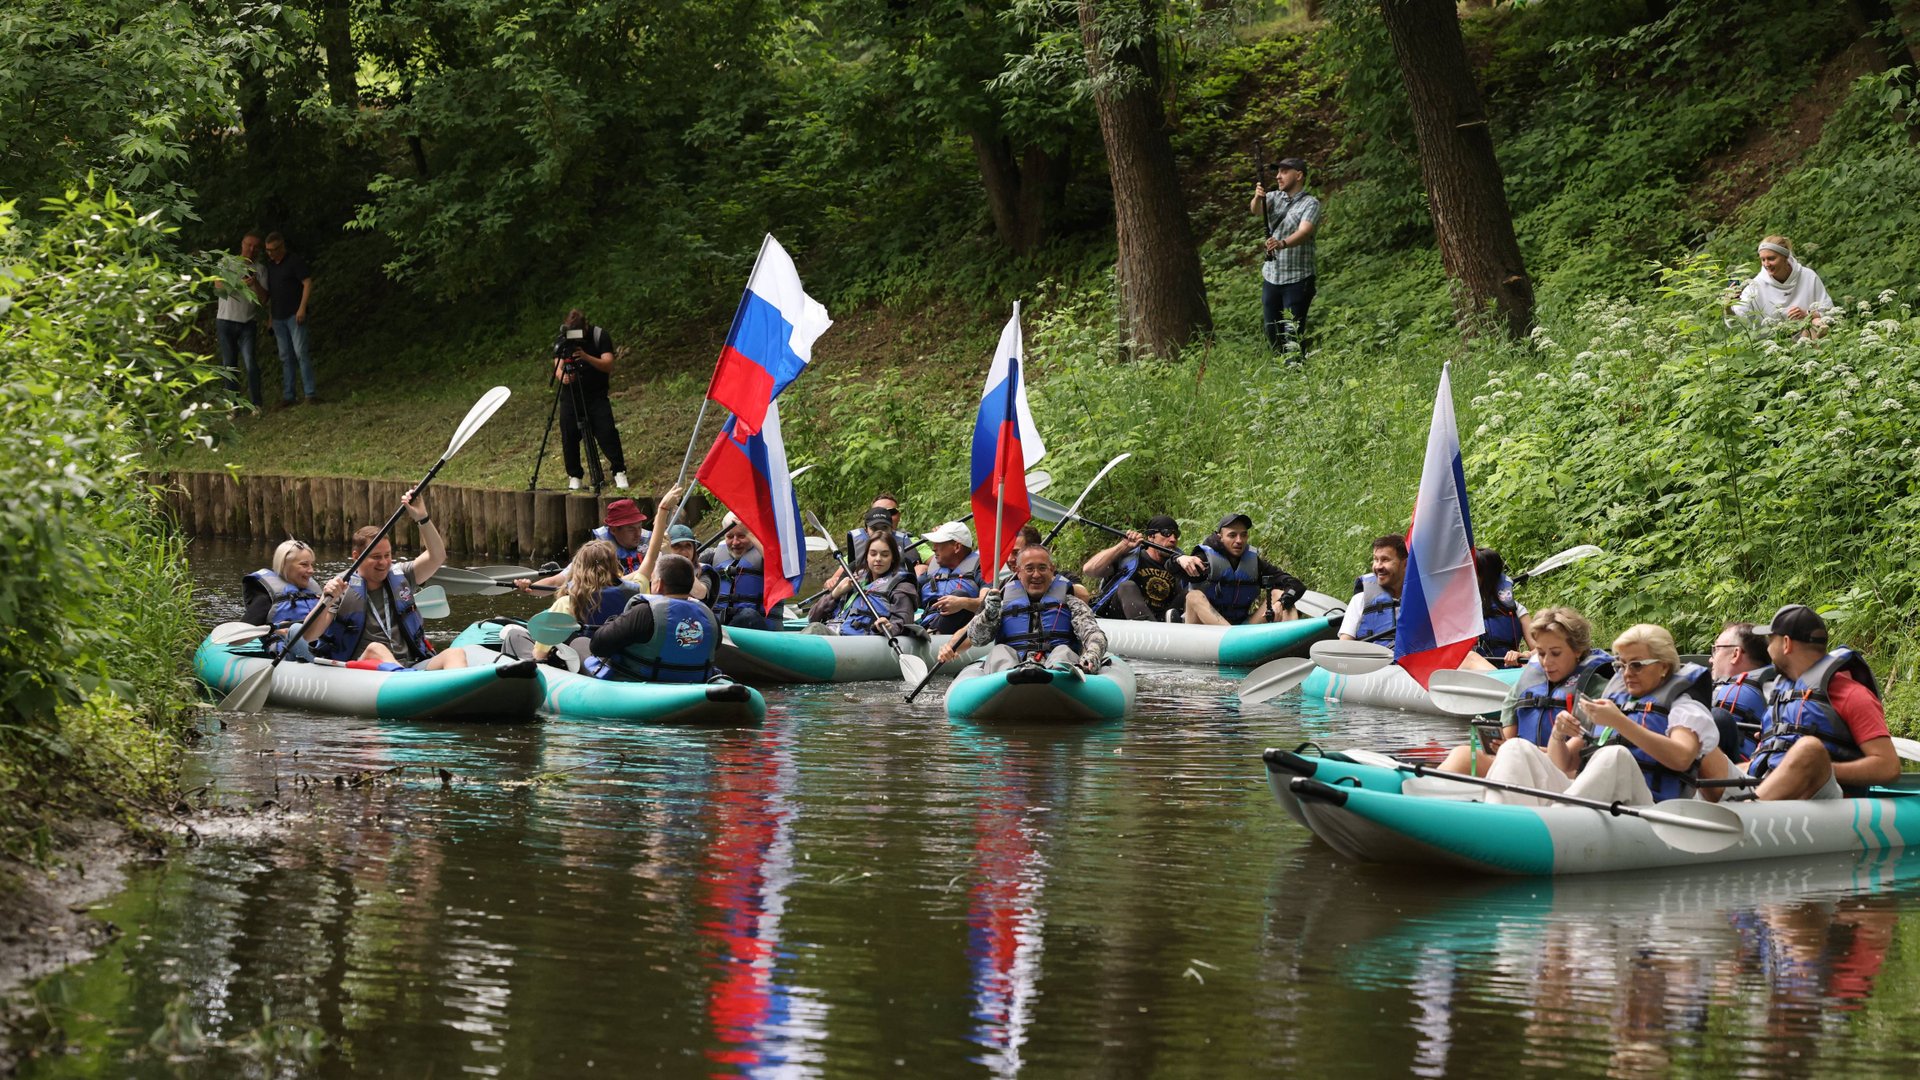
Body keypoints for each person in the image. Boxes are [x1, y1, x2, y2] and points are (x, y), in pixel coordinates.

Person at [1480, 623, 1716, 807]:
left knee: (1615, 755)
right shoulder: (1612, 702)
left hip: (1648, 807)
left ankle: (1558, 820)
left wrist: (1619, 722)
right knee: (1516, 748)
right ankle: (1497, 819)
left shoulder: (1685, 706)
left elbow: (1682, 758)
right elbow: (1565, 763)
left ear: (1663, 666)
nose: (1627, 673)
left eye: (1637, 665)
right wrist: (1558, 735)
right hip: (1590, 804)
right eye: (1621, 665)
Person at [1744, 605, 1899, 801]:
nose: (1767, 648)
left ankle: (1747, 809)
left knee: (1809, 750)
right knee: (1713, 756)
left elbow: (1888, 767)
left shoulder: (1852, 694)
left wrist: (1815, 769)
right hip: (1766, 786)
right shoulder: (1782, 694)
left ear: (1786, 643)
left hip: (1822, 797)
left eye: (1770, 640)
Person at [1436, 607, 1612, 776]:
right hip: (1520, 763)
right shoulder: (1525, 684)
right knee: (1462, 755)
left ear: (1577, 651)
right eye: (1541, 653)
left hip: (1565, 773)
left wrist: (1519, 749)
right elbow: (1507, 741)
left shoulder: (1596, 690)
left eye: (1556, 653)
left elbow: (1571, 761)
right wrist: (1502, 747)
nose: (1547, 662)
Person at [310, 490, 469, 670]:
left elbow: (437, 556)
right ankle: (406, 681)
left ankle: (443, 686)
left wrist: (422, 518)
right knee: (376, 649)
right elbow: (310, 635)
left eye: (387, 555)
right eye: (376, 557)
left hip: (410, 666)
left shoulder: (402, 575)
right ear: (356, 556)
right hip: (363, 667)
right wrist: (325, 600)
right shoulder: (340, 587)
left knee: (455, 653)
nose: (384, 562)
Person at [938, 544, 1107, 674]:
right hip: (1012, 670)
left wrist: (1092, 654)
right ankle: (1010, 681)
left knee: (1063, 651)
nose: (1036, 575)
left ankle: (1059, 678)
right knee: (1000, 651)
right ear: (1018, 572)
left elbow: (1094, 634)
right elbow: (977, 638)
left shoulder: (1071, 603)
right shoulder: (1000, 605)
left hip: (1055, 669)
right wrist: (989, 615)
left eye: (1042, 568)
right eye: (1029, 569)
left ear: (1052, 570)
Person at [500, 539, 635, 667]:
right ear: (615, 566)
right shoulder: (634, 593)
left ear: (578, 569)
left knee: (514, 635)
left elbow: (539, 655)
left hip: (580, 664)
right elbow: (641, 574)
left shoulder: (567, 603)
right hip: (617, 661)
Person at [591, 554, 718, 683]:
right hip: (694, 684)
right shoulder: (709, 617)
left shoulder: (645, 612)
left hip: (642, 683)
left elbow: (598, 645)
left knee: (582, 643)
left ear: (659, 584)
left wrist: (612, 621)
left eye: (653, 579)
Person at [1248, 155, 1321, 359]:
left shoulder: (1310, 203)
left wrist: (1282, 243)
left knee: (1293, 333)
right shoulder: (1273, 197)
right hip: (1272, 277)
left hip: (1298, 279)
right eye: (1278, 172)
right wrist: (1257, 197)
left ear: (1299, 175)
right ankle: (1283, 371)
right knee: (1272, 331)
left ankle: (1297, 371)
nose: (1278, 176)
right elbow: (1256, 211)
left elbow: (1304, 232)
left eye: (1284, 172)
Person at [553, 308, 629, 491]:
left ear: (586, 326)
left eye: (579, 333)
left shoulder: (599, 335)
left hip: (596, 395)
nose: (576, 337)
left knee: (606, 431)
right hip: (571, 397)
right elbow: (557, 367)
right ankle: (574, 476)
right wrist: (563, 377)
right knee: (569, 435)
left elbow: (608, 364)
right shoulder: (563, 338)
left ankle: (619, 471)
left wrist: (586, 357)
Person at [1183, 512, 1305, 625]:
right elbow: (1175, 572)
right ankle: (1231, 636)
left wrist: (1281, 603)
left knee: (1279, 595)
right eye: (1232, 535)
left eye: (1243, 535)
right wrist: (1178, 558)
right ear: (1220, 537)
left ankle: (1294, 640)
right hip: (1206, 629)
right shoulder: (1203, 558)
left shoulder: (1254, 564)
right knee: (1193, 596)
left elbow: (1295, 584)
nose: (1239, 540)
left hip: (1242, 628)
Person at [1083, 515, 1201, 622]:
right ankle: (1150, 629)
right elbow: (1089, 569)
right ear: (1150, 537)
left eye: (1176, 535)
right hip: (1122, 616)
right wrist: (1123, 546)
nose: (1173, 539)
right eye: (1166, 533)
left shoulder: (1179, 563)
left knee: (1193, 592)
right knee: (1127, 586)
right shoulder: (1130, 557)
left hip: (1160, 619)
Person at [807, 531, 919, 637]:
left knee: (815, 628)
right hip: (835, 635)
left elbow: (903, 623)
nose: (878, 559)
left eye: (885, 555)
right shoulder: (853, 580)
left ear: (893, 558)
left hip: (861, 641)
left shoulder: (902, 586)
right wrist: (834, 594)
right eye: (873, 554)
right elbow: (812, 618)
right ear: (867, 557)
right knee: (815, 627)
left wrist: (889, 627)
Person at [1729, 235, 1832, 337]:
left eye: (1771, 258)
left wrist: (1807, 314)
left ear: (1785, 257)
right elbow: (1737, 323)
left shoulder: (1808, 276)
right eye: (1763, 260)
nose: (1766, 264)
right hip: (1774, 341)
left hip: (1808, 336)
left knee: (1817, 322)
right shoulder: (1754, 286)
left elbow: (1829, 311)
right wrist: (1728, 307)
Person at [240, 538, 325, 656]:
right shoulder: (265, 599)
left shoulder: (316, 593)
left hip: (323, 649)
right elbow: (239, 638)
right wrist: (274, 630)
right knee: (295, 631)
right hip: (288, 656)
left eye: (311, 564)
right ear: (285, 565)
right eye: (304, 565)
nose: (311, 570)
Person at [261, 232, 318, 406]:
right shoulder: (271, 267)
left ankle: (310, 393)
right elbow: (273, 294)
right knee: (285, 356)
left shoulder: (294, 261)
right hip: (278, 317)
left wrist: (302, 308)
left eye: (273, 250)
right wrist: (270, 317)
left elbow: (307, 283)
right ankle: (289, 395)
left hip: (295, 315)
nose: (270, 253)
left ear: (281, 247)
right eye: (267, 250)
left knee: (301, 353)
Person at [213, 232, 267, 407]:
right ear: (242, 244)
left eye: (255, 247)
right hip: (225, 320)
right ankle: (233, 406)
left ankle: (256, 404)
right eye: (249, 245)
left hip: (247, 322)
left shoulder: (260, 269)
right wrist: (240, 284)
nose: (251, 249)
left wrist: (255, 283)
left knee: (251, 363)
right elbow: (218, 287)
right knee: (229, 366)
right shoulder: (226, 262)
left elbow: (264, 300)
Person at [1709, 621, 1772, 762]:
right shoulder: (1776, 685)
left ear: (1735, 654)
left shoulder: (1734, 692)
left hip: (1733, 769)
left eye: (1716, 649)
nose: (1711, 659)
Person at [917, 520, 983, 635]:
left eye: (939, 543)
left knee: (959, 595)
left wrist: (963, 602)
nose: (933, 548)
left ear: (957, 547)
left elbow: (988, 603)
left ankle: (932, 634)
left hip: (961, 631)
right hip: (927, 622)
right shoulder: (931, 572)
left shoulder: (980, 571)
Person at [1339, 535, 1407, 645]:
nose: (1378, 566)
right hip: (1371, 656)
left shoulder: (1423, 600)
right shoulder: (1360, 600)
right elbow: (1344, 647)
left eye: (1385, 560)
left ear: (1405, 564)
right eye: (1376, 559)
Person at [710, 520, 775, 630]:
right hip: (721, 626)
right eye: (730, 537)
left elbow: (779, 567)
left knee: (748, 615)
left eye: (742, 535)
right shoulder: (712, 555)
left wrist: (751, 534)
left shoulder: (765, 554)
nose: (735, 542)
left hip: (758, 628)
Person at [1472, 548, 1531, 667]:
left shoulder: (1517, 610)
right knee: (1470, 658)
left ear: (1484, 577)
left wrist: (1523, 655)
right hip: (1473, 673)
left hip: (1508, 670)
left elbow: (1540, 650)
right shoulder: (1460, 611)